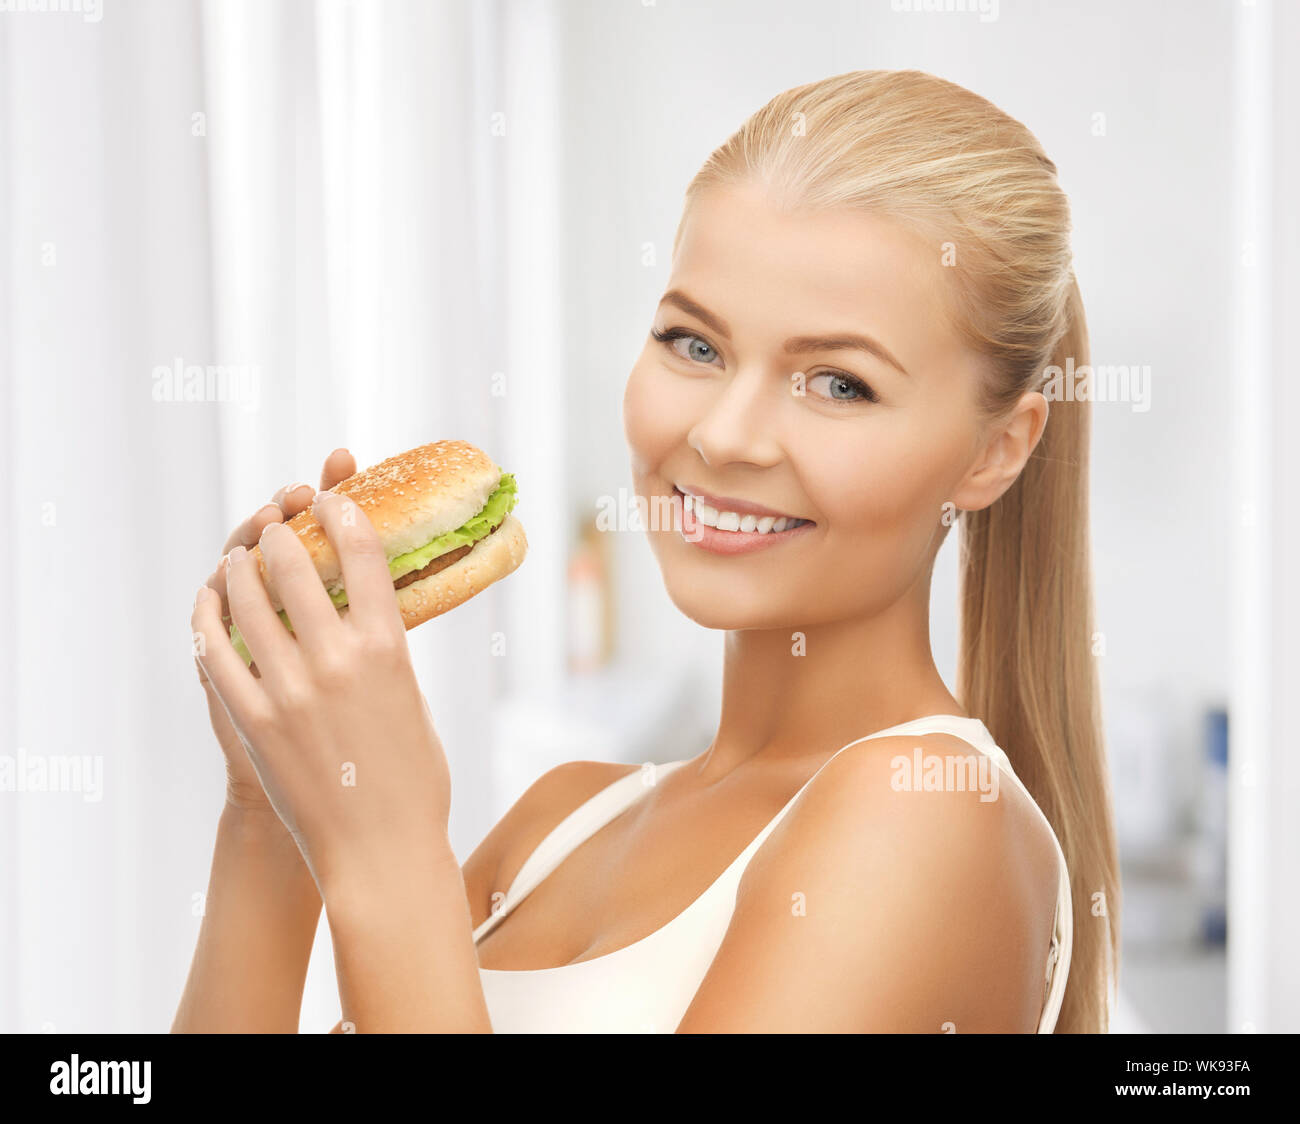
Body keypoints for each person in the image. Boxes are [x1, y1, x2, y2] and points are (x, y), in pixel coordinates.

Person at [175, 69, 1119, 1034]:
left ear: (996, 451)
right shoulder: (562, 822)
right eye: (695, 345)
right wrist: (271, 819)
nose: (725, 435)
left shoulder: (926, 814)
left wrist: (386, 850)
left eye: (837, 383)